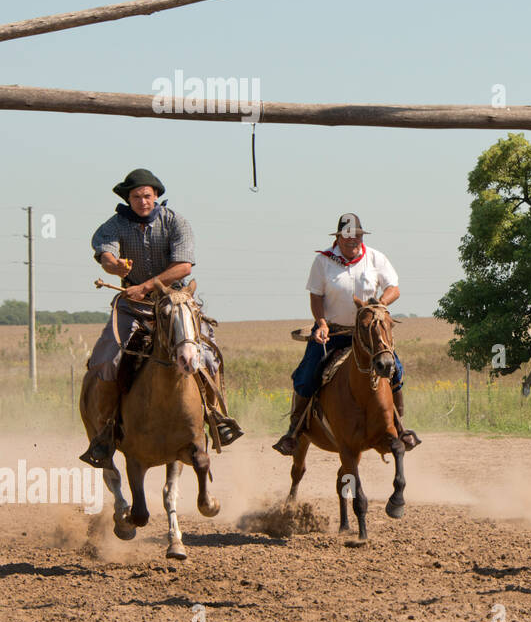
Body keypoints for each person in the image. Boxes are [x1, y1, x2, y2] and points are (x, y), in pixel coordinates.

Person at [81, 168, 245, 468]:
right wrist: (113, 266)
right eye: (136, 196)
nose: (142, 201)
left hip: (175, 302)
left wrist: (147, 285)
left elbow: (184, 266)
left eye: (147, 195)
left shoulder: (176, 222)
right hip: (133, 306)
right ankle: (106, 429)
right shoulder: (115, 224)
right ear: (127, 199)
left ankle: (215, 415)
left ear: (156, 196)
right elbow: (104, 250)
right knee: (107, 358)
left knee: (208, 356)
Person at [273, 213, 419, 455]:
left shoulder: (375, 258)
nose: (353, 240)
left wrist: (379, 305)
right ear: (338, 237)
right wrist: (321, 323)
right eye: (348, 236)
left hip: (369, 333)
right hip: (334, 333)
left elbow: (394, 288)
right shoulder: (323, 261)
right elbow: (316, 296)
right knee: (307, 373)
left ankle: (399, 427)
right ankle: (294, 431)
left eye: (357, 236)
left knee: (395, 369)